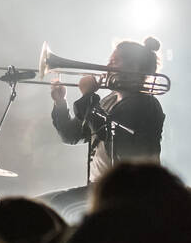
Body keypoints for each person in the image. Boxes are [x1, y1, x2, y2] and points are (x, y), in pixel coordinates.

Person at [43, 37, 166, 224]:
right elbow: (71, 135)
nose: (106, 67)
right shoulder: (108, 101)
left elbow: (109, 135)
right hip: (101, 188)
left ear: (134, 68)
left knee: (56, 207)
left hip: (127, 193)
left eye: (114, 62)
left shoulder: (146, 105)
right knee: (41, 205)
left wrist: (88, 96)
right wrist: (60, 103)